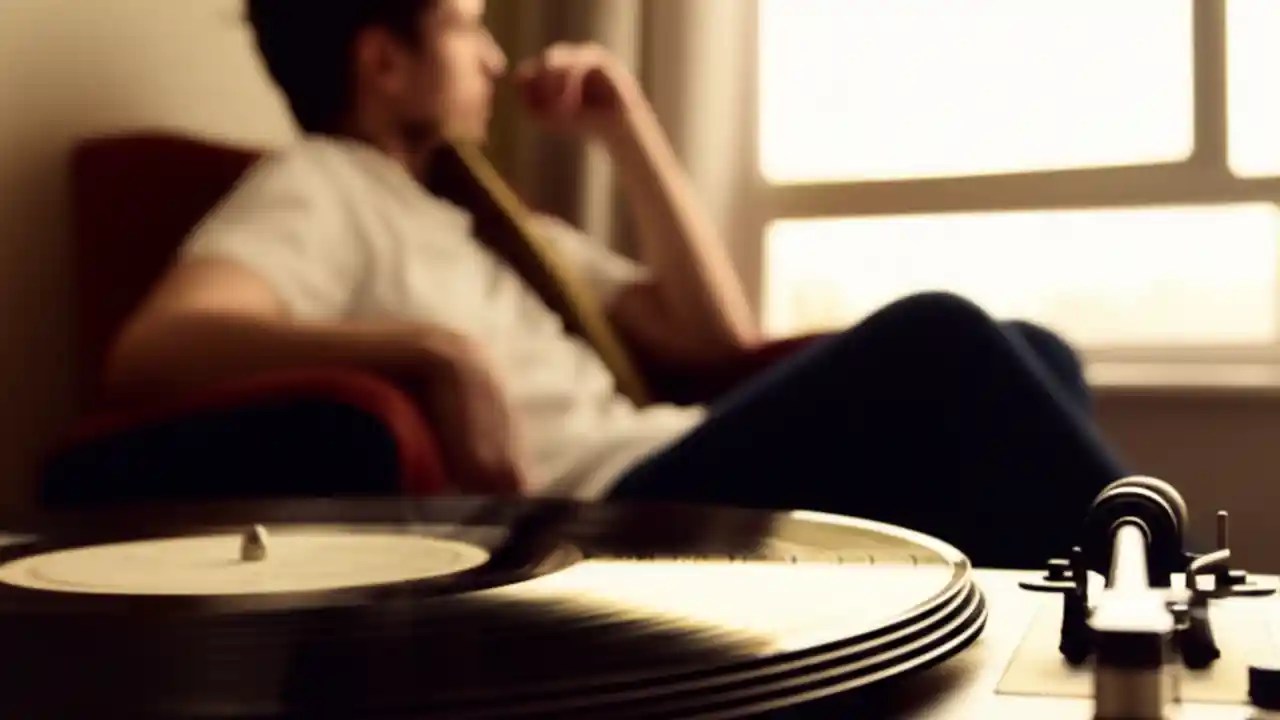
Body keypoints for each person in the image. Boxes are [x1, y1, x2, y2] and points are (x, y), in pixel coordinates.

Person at [107, 0, 1127, 569]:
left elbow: (712, 334)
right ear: (382, 61)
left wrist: (625, 130)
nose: (494, 56)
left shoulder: (485, 225)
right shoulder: (322, 185)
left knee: (1030, 347)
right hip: (601, 513)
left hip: (666, 458)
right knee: (939, 337)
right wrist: (431, 350)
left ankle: (1081, 632)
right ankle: (1153, 605)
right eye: (466, 26)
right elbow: (160, 345)